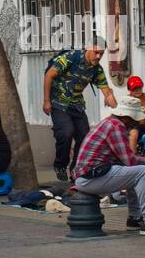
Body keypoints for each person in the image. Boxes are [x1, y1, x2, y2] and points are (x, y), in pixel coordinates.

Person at [71, 98, 145, 235]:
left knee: (133, 174)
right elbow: (130, 161)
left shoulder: (109, 122)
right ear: (127, 117)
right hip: (90, 178)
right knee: (142, 172)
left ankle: (135, 218)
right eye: (135, 120)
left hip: (88, 176)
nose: (136, 124)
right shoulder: (115, 126)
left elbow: (126, 162)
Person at [43, 37, 117, 182]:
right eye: (96, 52)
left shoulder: (96, 69)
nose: (98, 56)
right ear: (88, 48)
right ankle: (60, 165)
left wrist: (110, 98)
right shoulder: (71, 57)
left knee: (85, 137)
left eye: (101, 54)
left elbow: (106, 90)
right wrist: (46, 101)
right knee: (66, 132)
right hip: (59, 102)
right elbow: (49, 75)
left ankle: (75, 168)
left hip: (76, 105)